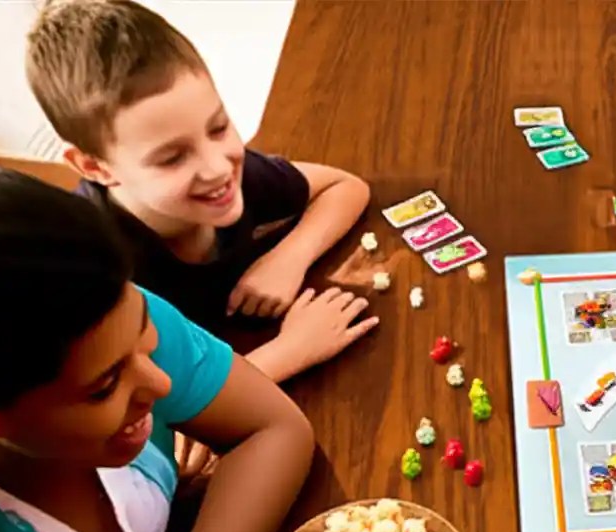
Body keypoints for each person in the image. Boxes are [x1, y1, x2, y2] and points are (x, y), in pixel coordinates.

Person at [0, 167, 315, 532]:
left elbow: (277, 429)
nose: (159, 384)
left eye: (145, 331)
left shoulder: (102, 313)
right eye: (106, 387)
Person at [25, 0, 379, 385]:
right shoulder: (94, 272)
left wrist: (288, 258)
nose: (218, 167)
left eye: (219, 127)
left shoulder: (227, 177)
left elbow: (345, 187)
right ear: (96, 168)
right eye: (173, 158)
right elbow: (148, 407)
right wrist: (291, 351)